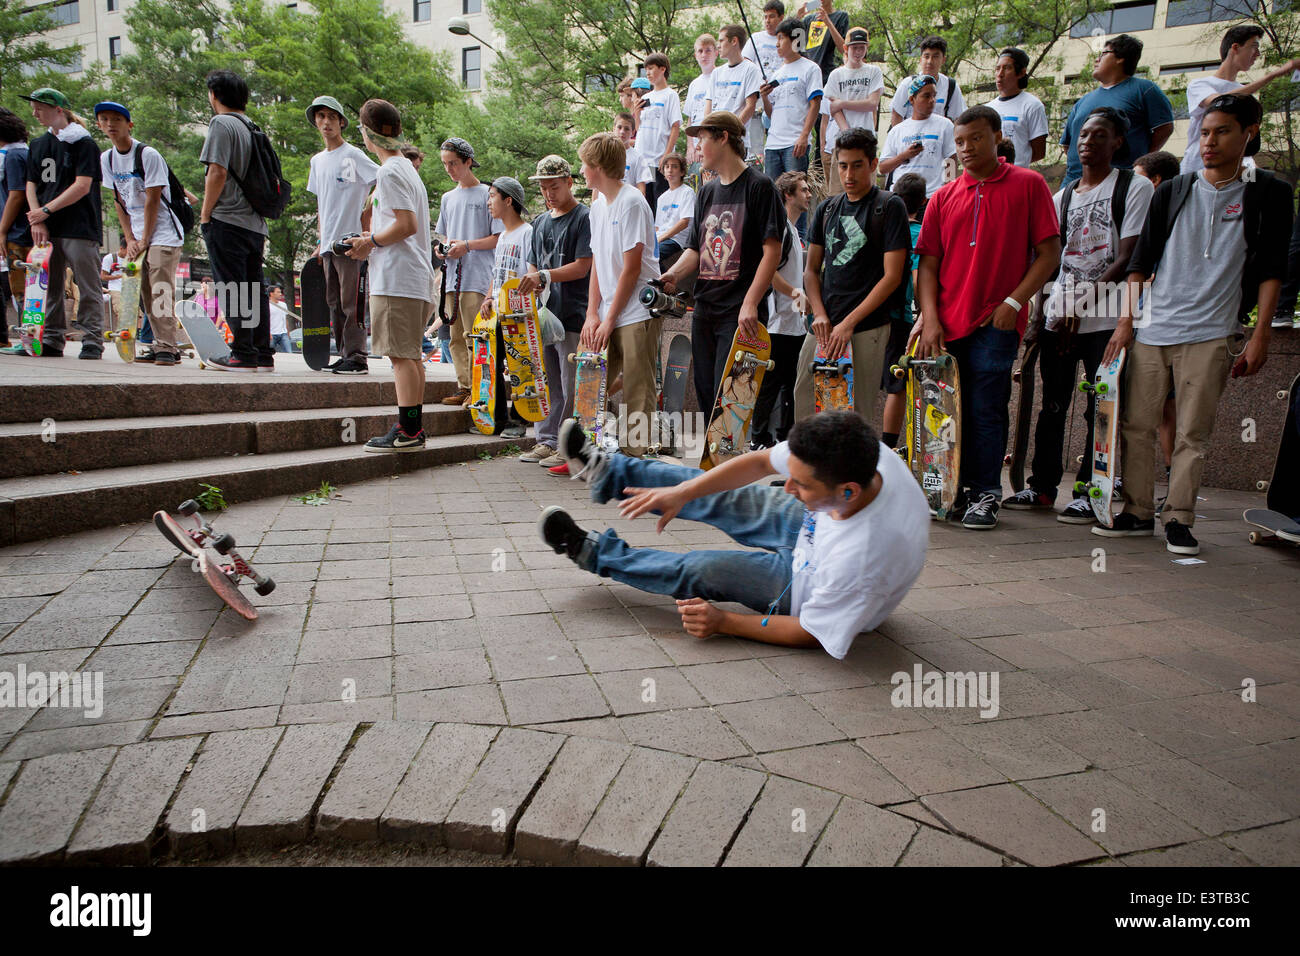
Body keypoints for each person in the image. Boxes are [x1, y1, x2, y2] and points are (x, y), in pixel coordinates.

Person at [539, 409, 929, 659]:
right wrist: (683, 493)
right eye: (790, 477)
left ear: (848, 491)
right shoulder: (853, 453)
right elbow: (761, 462)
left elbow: (812, 632)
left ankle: (589, 551)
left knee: (701, 569)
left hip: (805, 587)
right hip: (819, 528)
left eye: (802, 486)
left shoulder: (862, 563)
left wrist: (725, 623)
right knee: (716, 492)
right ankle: (608, 472)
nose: (788, 489)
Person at [1096, 94, 1291, 555]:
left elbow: (1271, 270)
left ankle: (1179, 517)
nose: (1209, 142)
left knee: (1192, 433)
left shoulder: (1269, 192)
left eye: (1222, 131)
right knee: (1136, 425)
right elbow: (1140, 263)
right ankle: (1137, 511)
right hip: (1154, 327)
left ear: (1250, 132)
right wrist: (1126, 322)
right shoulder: (1174, 189)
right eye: (1204, 132)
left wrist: (1260, 333)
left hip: (1212, 330)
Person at [1002, 107, 1153, 524]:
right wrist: (1040, 316)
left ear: (1118, 142)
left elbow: (1128, 256)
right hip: (1059, 318)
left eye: (1099, 135)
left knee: (1099, 408)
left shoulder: (1133, 188)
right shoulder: (1062, 197)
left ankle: (1090, 490)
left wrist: (1081, 304)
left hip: (1106, 319)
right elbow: (1051, 260)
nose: (1087, 142)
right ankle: (1043, 487)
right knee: (1052, 405)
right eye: (1083, 135)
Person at [914, 105, 1061, 530]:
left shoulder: (1029, 185)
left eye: (975, 138)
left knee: (985, 409)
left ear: (997, 136)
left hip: (995, 323)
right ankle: (949, 491)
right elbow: (927, 265)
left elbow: (1048, 253)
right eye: (959, 141)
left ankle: (984, 494)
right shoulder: (942, 196)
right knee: (942, 414)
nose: (966, 148)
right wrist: (930, 318)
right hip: (945, 324)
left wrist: (1013, 304)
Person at [659, 111, 784, 417]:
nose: (697, 147)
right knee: (706, 398)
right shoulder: (706, 191)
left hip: (740, 313)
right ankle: (712, 465)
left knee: (730, 406)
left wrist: (751, 303)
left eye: (702, 137)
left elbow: (773, 251)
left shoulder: (760, 186)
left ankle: (727, 462)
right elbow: (694, 249)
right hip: (705, 308)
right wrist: (671, 276)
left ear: (723, 137)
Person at [792, 128, 910, 425]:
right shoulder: (827, 208)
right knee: (805, 401)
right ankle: (807, 471)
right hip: (823, 325)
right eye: (843, 165)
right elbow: (811, 271)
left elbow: (892, 277)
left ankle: (854, 473)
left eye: (857, 165)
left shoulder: (889, 206)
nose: (848, 174)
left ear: (872, 164)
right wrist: (819, 314)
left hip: (866, 326)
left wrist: (849, 323)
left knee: (857, 415)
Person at [344, 99, 436, 452]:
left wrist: (370, 241)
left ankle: (408, 432)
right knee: (410, 356)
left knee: (401, 356)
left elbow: (406, 225)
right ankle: (412, 427)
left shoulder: (389, 172)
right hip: (410, 277)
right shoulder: (405, 169)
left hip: (399, 277)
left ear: (367, 134)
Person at [577, 132, 662, 458]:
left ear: (597, 166)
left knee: (638, 388)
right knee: (591, 380)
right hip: (609, 310)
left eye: (585, 165)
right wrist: (592, 313)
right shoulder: (597, 206)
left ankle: (634, 458)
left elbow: (631, 268)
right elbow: (598, 261)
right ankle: (583, 449)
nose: (582, 171)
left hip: (637, 311)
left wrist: (608, 318)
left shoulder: (632, 203)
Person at [96, 101, 186, 366]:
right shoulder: (107, 158)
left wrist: (145, 237)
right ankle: (161, 345)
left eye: (116, 119)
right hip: (138, 234)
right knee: (143, 290)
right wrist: (131, 238)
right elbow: (118, 201)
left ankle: (168, 347)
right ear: (100, 125)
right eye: (104, 119)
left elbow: (153, 199)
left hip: (164, 233)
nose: (111, 124)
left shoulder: (147, 155)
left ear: (129, 124)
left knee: (160, 288)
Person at [517, 155, 593, 472]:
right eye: (544, 187)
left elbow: (584, 265)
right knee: (546, 380)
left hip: (572, 312)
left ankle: (567, 444)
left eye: (555, 186)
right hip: (543, 315)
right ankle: (545, 439)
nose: (549, 193)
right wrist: (535, 279)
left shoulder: (583, 218)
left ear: (569, 183)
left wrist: (545, 276)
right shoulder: (539, 222)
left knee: (569, 380)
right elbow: (532, 262)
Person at [198, 70, 272, 371]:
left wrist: (205, 214)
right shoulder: (254, 128)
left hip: (227, 219)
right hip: (255, 223)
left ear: (214, 95)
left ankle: (241, 353)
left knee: (232, 288)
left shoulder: (221, 124)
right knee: (255, 288)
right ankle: (262, 352)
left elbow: (217, 172)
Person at [22, 87, 103, 360]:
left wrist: (46, 210)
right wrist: (37, 217)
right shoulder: (38, 144)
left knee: (88, 285)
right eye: (33, 108)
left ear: (59, 110)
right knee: (50, 285)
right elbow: (31, 183)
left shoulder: (84, 143)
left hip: (79, 225)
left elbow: (82, 185)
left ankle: (93, 339)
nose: (35, 113)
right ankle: (52, 338)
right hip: (47, 226)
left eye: (40, 108)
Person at [306, 95, 380, 375]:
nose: (326, 122)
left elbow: (381, 181)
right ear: (316, 121)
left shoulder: (353, 155)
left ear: (341, 122)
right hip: (327, 244)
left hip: (351, 243)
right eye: (320, 117)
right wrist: (320, 240)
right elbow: (321, 203)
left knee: (353, 302)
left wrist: (367, 221)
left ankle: (358, 356)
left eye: (331, 117)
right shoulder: (317, 161)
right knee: (334, 303)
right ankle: (344, 354)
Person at [434, 136, 502, 406]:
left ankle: (482, 389)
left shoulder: (488, 193)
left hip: (478, 277)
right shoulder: (448, 198)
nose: (449, 169)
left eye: (453, 163)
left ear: (468, 162)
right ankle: (465, 386)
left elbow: (498, 237)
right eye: (445, 164)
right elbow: (447, 235)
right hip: (453, 276)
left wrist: (468, 246)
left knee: (477, 336)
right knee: (455, 336)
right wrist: (443, 249)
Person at [1182, 25, 1299, 175]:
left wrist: (1252, 172)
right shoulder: (1199, 85)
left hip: (1235, 171)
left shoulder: (1247, 96)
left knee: (1255, 190)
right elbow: (1220, 102)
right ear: (1235, 47)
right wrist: (1273, 75)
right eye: (1254, 47)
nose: (1258, 54)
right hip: (1197, 169)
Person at [1060, 34, 1173, 183]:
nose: (1097, 60)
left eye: (1104, 54)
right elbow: (1068, 145)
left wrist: (1141, 162)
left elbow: (1164, 128)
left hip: (1118, 182)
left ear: (1121, 58)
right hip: (1073, 183)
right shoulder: (1083, 101)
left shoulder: (1144, 89)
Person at [751, 170, 810, 449]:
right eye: (803, 190)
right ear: (788, 194)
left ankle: (786, 438)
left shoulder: (795, 231)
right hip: (777, 323)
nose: (809, 194)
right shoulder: (782, 230)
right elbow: (770, 273)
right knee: (771, 383)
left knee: (791, 384)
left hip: (793, 323)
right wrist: (796, 295)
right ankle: (759, 438)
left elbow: (794, 278)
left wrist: (801, 306)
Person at [481, 175, 534, 441]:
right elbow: (497, 271)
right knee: (493, 361)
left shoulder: (527, 233)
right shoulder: (502, 236)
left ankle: (520, 418)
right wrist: (488, 297)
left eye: (492, 196)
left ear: (508, 200)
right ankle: (498, 416)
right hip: (498, 310)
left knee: (519, 365)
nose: (489, 201)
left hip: (519, 311)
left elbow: (531, 272)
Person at [760, 16, 823, 236]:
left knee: (798, 194)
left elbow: (815, 103)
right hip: (774, 142)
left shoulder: (810, 68)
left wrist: (804, 136)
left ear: (795, 38)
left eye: (781, 38)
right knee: (775, 195)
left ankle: (801, 239)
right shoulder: (776, 74)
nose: (777, 43)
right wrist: (765, 97)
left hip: (795, 141)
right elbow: (770, 113)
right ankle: (778, 237)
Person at [881, 172, 927, 449]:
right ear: (922, 201)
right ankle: (888, 447)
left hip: (875, 315)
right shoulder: (920, 233)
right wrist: (924, 313)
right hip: (902, 318)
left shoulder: (884, 228)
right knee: (898, 386)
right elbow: (917, 277)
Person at [820, 25, 884, 196]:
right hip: (842, 140)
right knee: (838, 192)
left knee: (867, 191)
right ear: (846, 48)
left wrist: (843, 102)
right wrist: (847, 132)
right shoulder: (836, 75)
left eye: (862, 47)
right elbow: (834, 109)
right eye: (854, 47)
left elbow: (872, 103)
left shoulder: (873, 71)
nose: (858, 52)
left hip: (866, 138)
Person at [879, 75, 956, 197]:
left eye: (934, 95)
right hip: (901, 197)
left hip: (932, 196)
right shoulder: (897, 130)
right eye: (926, 96)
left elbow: (951, 160)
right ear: (912, 99)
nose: (932, 100)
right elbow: (882, 168)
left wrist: (948, 190)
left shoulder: (945, 125)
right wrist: (904, 155)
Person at [706, 25, 764, 163]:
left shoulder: (750, 70)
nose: (718, 46)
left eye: (721, 41)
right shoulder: (716, 73)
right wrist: (707, 132)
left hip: (735, 139)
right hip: (714, 139)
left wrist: (730, 131)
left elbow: (750, 106)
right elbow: (708, 106)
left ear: (734, 41)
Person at [0, 108, 32, 350]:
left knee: (20, 289)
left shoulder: (11, 156)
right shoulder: (26, 151)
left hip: (16, 232)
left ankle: (27, 339)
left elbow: (16, 195)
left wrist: (2, 230)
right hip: (30, 230)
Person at [635, 53, 682, 213]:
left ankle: (660, 236)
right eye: (645, 69)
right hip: (642, 159)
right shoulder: (646, 96)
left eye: (651, 68)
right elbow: (638, 127)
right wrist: (636, 112)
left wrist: (666, 155)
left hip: (659, 159)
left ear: (662, 69)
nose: (647, 73)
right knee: (643, 202)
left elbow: (675, 126)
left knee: (659, 201)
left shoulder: (671, 95)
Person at [985, 48, 1047, 168]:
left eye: (1007, 68)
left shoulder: (1032, 105)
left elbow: (1039, 152)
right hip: (990, 176)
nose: (1000, 74)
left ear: (1021, 72)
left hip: (1017, 177)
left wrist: (1017, 164)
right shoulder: (987, 108)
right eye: (997, 68)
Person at [890, 36, 965, 127]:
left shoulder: (951, 86)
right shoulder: (908, 84)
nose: (930, 61)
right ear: (920, 59)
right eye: (926, 56)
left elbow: (958, 118)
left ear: (943, 60)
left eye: (935, 57)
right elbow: (896, 114)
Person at [742, 0, 786, 157]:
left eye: (772, 17)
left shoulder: (786, 39)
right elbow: (745, 62)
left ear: (781, 18)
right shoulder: (756, 38)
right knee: (756, 139)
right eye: (765, 17)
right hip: (759, 94)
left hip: (781, 94)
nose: (768, 21)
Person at [654, 153, 695, 274]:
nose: (670, 170)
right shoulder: (662, 198)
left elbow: (684, 222)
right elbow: (657, 227)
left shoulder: (687, 192)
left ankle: (665, 285)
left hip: (677, 240)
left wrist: (661, 238)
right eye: (667, 167)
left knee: (652, 256)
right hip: (661, 238)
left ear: (682, 172)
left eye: (674, 167)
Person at [684, 35, 720, 171]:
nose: (704, 55)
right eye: (700, 51)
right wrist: (690, 147)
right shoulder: (694, 84)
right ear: (695, 55)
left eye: (708, 50)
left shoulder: (720, 76)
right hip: (696, 150)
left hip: (713, 145)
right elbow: (690, 119)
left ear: (716, 53)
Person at [797, 0, 850, 85]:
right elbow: (795, 46)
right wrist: (798, 18)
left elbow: (844, 49)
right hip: (808, 75)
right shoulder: (808, 19)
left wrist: (828, 22)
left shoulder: (841, 16)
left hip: (827, 76)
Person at [614, 112, 654, 200]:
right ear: (614, 128)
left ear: (632, 133)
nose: (622, 132)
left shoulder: (638, 158)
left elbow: (641, 190)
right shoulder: (604, 154)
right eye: (619, 127)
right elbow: (597, 189)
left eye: (626, 129)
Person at [100, 237, 127, 335]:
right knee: (120, 308)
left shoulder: (133, 258)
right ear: (121, 248)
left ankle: (137, 332)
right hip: (115, 288)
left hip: (129, 288)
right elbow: (103, 276)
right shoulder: (110, 258)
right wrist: (119, 276)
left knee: (137, 311)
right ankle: (121, 330)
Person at [268, 284, 292, 352]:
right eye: (278, 292)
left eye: (280, 292)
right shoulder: (267, 305)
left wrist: (288, 332)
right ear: (271, 294)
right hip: (271, 334)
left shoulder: (283, 305)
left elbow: (285, 319)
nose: (280, 294)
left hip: (283, 334)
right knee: (269, 354)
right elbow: (265, 322)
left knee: (289, 353)